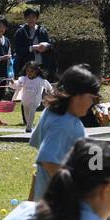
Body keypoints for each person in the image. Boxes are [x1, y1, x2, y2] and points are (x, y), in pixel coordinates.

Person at [29, 65, 102, 200]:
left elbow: (40, 147)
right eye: (92, 97)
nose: (93, 103)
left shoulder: (51, 112)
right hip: (61, 207)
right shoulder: (64, 123)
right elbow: (48, 160)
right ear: (76, 96)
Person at [14, 6, 54, 79]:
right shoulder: (20, 32)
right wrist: (32, 48)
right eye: (29, 17)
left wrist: (47, 45)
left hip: (41, 66)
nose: (31, 19)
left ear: (37, 18)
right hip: (26, 68)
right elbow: (18, 50)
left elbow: (52, 45)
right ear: (25, 18)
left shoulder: (42, 30)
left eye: (33, 17)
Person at [14, 61, 51, 132]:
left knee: (32, 112)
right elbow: (17, 85)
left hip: (35, 100)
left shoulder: (40, 80)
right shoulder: (23, 79)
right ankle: (29, 123)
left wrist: (51, 91)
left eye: (31, 71)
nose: (29, 73)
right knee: (26, 113)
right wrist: (13, 83)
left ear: (36, 71)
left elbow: (48, 86)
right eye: (27, 71)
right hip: (25, 100)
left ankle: (29, 127)